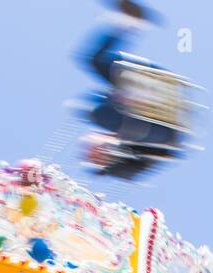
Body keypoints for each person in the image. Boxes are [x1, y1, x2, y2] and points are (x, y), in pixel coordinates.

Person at [76, 1, 191, 180]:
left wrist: (123, 99)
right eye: (97, 153)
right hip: (163, 127)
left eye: (93, 150)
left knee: (94, 60)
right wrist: (106, 161)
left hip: (151, 93)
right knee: (96, 110)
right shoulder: (129, 160)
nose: (96, 149)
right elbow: (133, 168)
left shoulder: (106, 114)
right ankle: (142, 95)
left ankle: (130, 22)